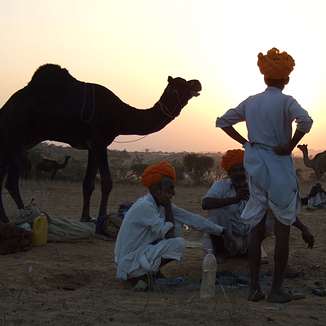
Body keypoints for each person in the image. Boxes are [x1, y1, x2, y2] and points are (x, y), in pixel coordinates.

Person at [216, 48, 313, 303]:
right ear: (286, 79)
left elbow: (223, 122)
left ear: (264, 77)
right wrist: (291, 146)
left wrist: (246, 143)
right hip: (279, 168)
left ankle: (253, 289)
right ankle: (276, 290)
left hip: (256, 166)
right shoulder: (287, 101)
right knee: (282, 229)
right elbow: (306, 122)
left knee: (256, 227)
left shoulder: (251, 102)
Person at [114, 161, 233, 290]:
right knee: (178, 243)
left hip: (136, 256)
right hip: (129, 262)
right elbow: (169, 235)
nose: (173, 193)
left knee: (176, 227)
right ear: (155, 189)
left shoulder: (157, 203)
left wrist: (221, 231)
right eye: (169, 188)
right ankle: (138, 276)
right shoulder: (145, 206)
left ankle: (150, 272)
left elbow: (191, 218)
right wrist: (168, 207)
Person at [202, 149, 314, 262]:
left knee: (274, 212)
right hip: (227, 240)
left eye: (242, 169)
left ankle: (252, 251)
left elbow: (280, 210)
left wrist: (304, 229)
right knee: (216, 212)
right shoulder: (221, 186)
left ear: (248, 170)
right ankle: (221, 252)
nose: (239, 173)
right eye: (234, 170)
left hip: (249, 240)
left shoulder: (258, 187)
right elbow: (205, 204)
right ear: (229, 173)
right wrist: (235, 199)